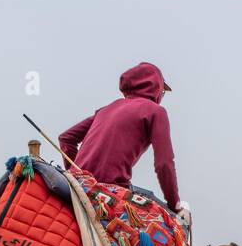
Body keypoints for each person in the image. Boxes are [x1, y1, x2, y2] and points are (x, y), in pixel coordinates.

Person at [59, 62, 190, 227]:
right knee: (170, 229)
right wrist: (175, 205)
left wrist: (76, 172)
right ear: (156, 88)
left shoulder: (107, 109)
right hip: (110, 188)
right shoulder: (155, 112)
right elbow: (164, 164)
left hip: (76, 183)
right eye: (162, 91)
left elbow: (66, 138)